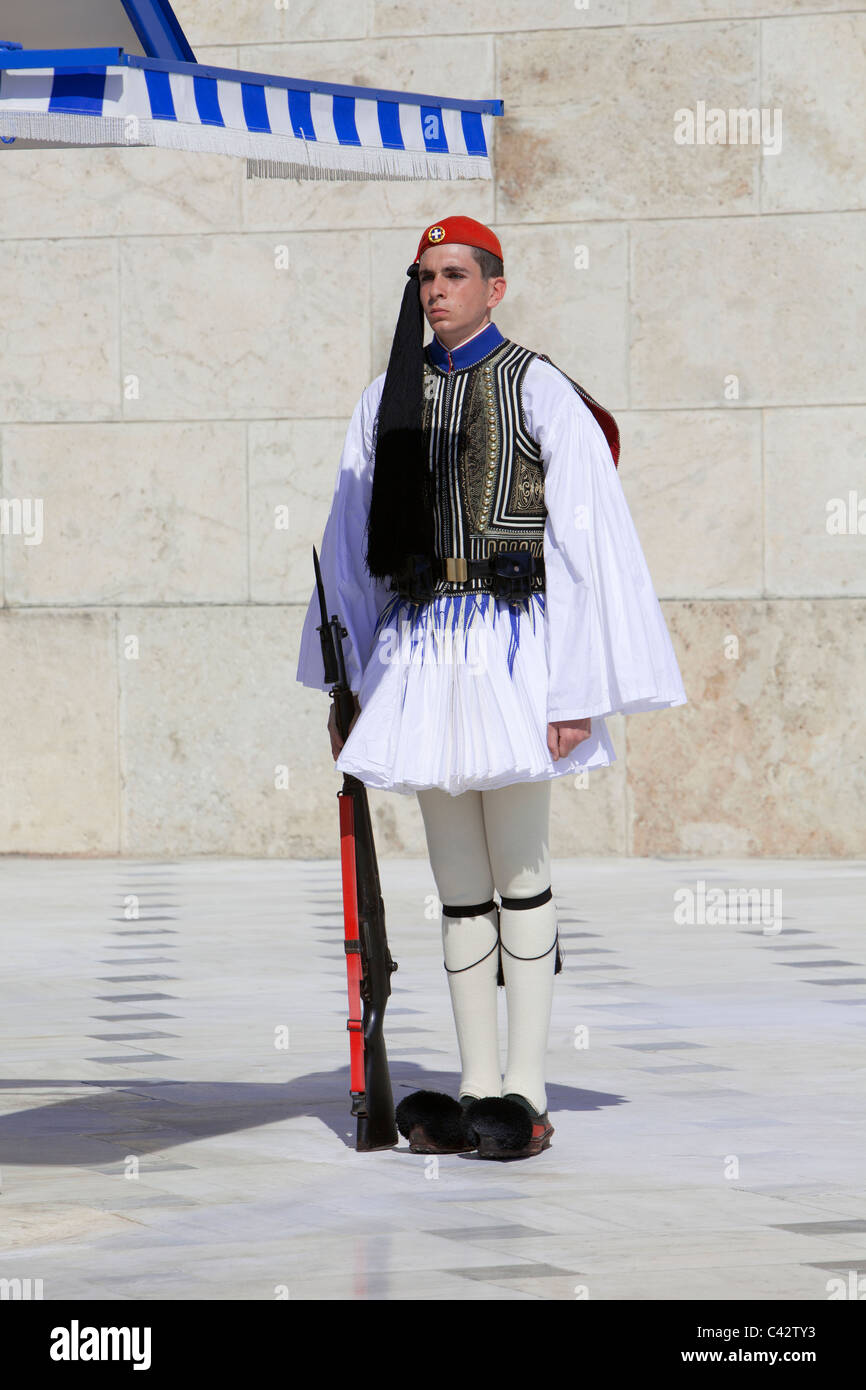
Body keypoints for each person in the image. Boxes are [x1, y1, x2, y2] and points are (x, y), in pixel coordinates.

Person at [296, 216, 687, 1160]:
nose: (437, 291)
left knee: (520, 869)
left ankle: (527, 1087)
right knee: (458, 883)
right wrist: (343, 681)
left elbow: (588, 545)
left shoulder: (540, 387)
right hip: (425, 652)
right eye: (426, 276)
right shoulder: (387, 397)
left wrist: (574, 691)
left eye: (457, 275)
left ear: (495, 288)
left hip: (516, 649)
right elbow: (352, 544)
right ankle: (475, 1085)